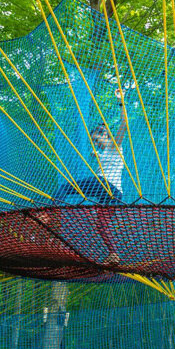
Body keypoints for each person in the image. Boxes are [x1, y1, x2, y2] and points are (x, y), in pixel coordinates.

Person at [53, 87, 128, 265]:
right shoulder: (104, 152)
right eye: (94, 140)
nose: (96, 142)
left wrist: (121, 101)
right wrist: (97, 155)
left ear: (105, 135)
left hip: (106, 185)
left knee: (65, 188)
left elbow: (124, 124)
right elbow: (103, 156)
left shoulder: (115, 145)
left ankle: (50, 214)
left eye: (97, 138)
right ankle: (113, 254)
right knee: (101, 226)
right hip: (115, 195)